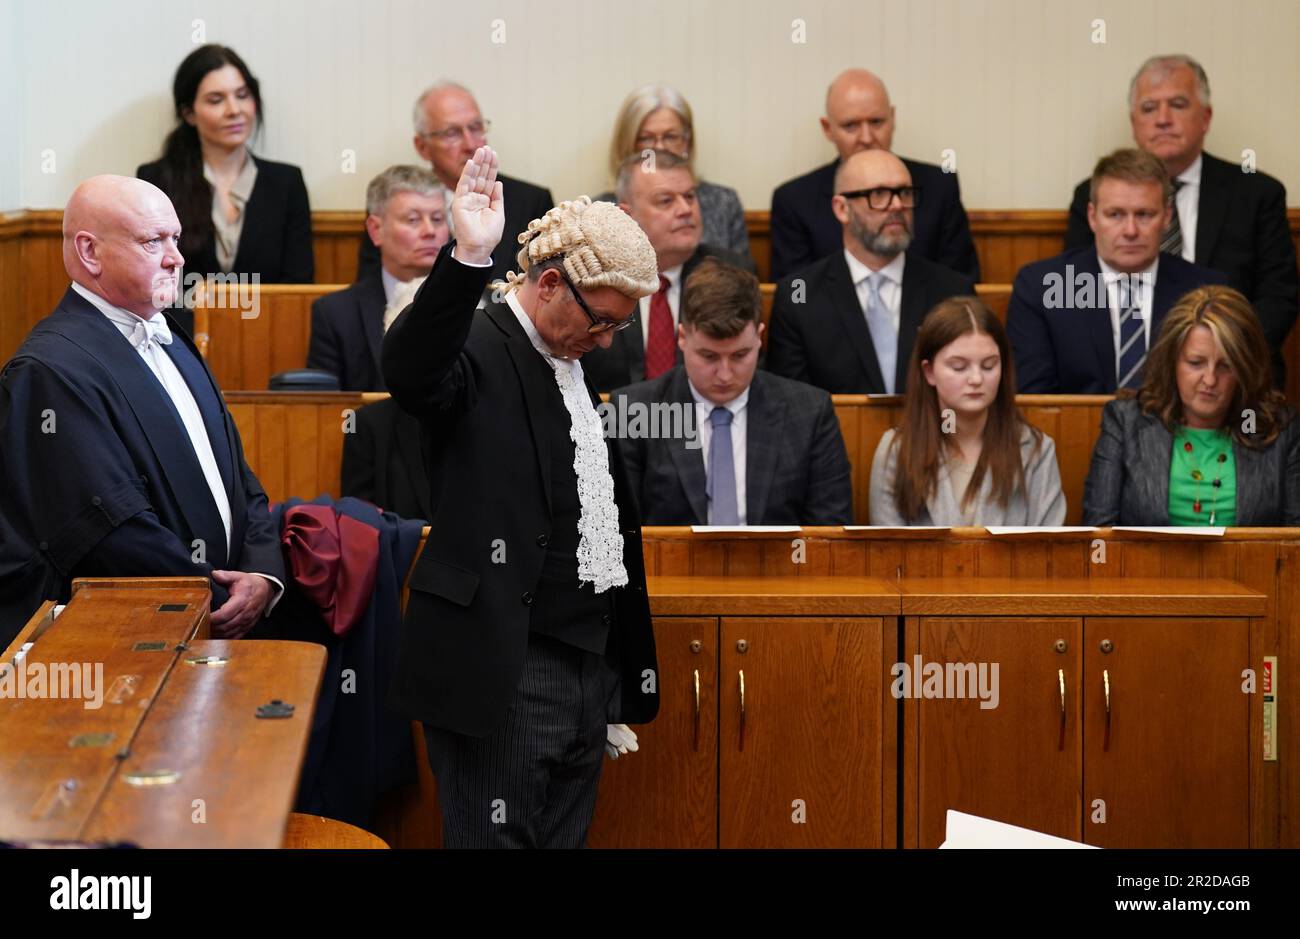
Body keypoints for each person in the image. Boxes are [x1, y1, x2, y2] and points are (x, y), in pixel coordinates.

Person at [382, 147, 659, 848]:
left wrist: (610, 674)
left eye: (617, 328)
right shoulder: (476, 341)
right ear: (550, 283)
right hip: (504, 668)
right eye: (599, 320)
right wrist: (467, 257)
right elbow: (412, 374)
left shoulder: (573, 356)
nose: (604, 340)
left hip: (584, 667)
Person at [0, 176, 284, 647]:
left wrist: (262, 574)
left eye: (175, 238)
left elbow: (238, 478)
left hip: (219, 622)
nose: (176, 257)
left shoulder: (172, 338)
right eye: (154, 241)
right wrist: (215, 597)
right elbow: (109, 530)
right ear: (90, 253)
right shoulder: (48, 370)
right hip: (134, 637)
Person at [1064, 54, 1298, 385]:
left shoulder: (1257, 194)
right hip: (1120, 377)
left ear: (1205, 117)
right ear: (1133, 124)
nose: (1162, 119)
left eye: (1177, 104)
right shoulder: (1091, 194)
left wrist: (1221, 357)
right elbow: (1079, 292)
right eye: (1149, 108)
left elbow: (1279, 298)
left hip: (1232, 377)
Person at [612, 259, 852, 525]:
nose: (725, 374)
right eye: (709, 356)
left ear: (759, 337)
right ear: (682, 337)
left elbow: (829, 536)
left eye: (740, 355)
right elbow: (621, 532)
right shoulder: (633, 411)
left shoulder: (810, 413)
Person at [1008, 148, 1226, 393]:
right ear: (1092, 217)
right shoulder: (1042, 287)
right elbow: (1037, 400)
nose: (1130, 230)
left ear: (1167, 217)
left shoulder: (1207, 291)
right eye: (1115, 215)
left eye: (1144, 215)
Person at [1083, 286, 1300, 526]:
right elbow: (1098, 531)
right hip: (1146, 564)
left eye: (1225, 366)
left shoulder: (1276, 429)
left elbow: (1294, 542)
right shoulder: (1127, 421)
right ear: (1172, 361)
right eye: (1196, 363)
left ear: (1244, 370)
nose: (1209, 380)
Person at [138, 44, 313, 335]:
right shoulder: (156, 179)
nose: (235, 110)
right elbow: (152, 282)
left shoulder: (286, 183)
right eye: (216, 100)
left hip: (268, 337)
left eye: (242, 96)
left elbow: (297, 286)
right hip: (178, 340)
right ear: (189, 113)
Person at [766, 149, 974, 394]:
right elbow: (792, 404)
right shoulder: (798, 297)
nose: (897, 205)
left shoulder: (951, 290)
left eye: (905, 193)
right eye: (879, 194)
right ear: (842, 209)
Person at [869, 296, 1065, 526]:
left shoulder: (1036, 450)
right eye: (959, 367)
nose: (976, 379)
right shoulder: (897, 451)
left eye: (989, 365)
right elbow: (887, 555)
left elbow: (1048, 552)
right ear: (929, 372)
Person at [769, 67, 979, 281]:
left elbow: (960, 286)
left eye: (876, 122)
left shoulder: (938, 187)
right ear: (827, 128)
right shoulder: (795, 200)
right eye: (851, 125)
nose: (867, 138)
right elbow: (795, 295)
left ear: (893, 119)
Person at [582, 150, 750, 392]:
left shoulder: (731, 272)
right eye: (666, 201)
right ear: (627, 215)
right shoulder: (596, 275)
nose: (685, 210)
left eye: (690, 196)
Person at [356, 82, 552, 285]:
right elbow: (371, 290)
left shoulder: (531, 202)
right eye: (452, 133)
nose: (470, 144)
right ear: (422, 147)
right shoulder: (394, 200)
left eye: (476, 128)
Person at [308, 165, 448, 391]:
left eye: (438, 218)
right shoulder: (336, 313)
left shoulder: (475, 304)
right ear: (376, 230)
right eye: (413, 220)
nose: (430, 231)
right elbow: (324, 409)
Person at [595, 83, 751, 262]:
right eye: (646, 138)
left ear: (686, 141)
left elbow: (740, 277)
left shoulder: (723, 203)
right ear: (628, 144)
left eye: (670, 136)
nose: (660, 147)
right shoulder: (599, 211)